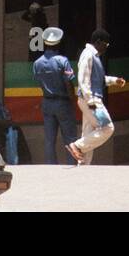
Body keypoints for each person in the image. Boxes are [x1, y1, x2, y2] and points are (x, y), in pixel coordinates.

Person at [67, 28, 125, 165]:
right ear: (98, 42)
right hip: (91, 99)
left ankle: (84, 165)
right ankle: (77, 146)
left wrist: (114, 80)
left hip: (87, 99)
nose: (106, 47)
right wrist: (90, 100)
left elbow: (97, 79)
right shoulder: (88, 55)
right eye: (106, 44)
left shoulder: (94, 56)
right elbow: (83, 79)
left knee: (89, 132)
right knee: (107, 128)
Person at [32, 26, 79, 164]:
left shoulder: (37, 63)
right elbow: (69, 84)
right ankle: (72, 164)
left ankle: (50, 167)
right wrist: (73, 100)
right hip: (63, 102)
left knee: (49, 139)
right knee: (70, 137)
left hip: (47, 102)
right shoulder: (62, 61)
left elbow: (39, 82)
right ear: (58, 43)